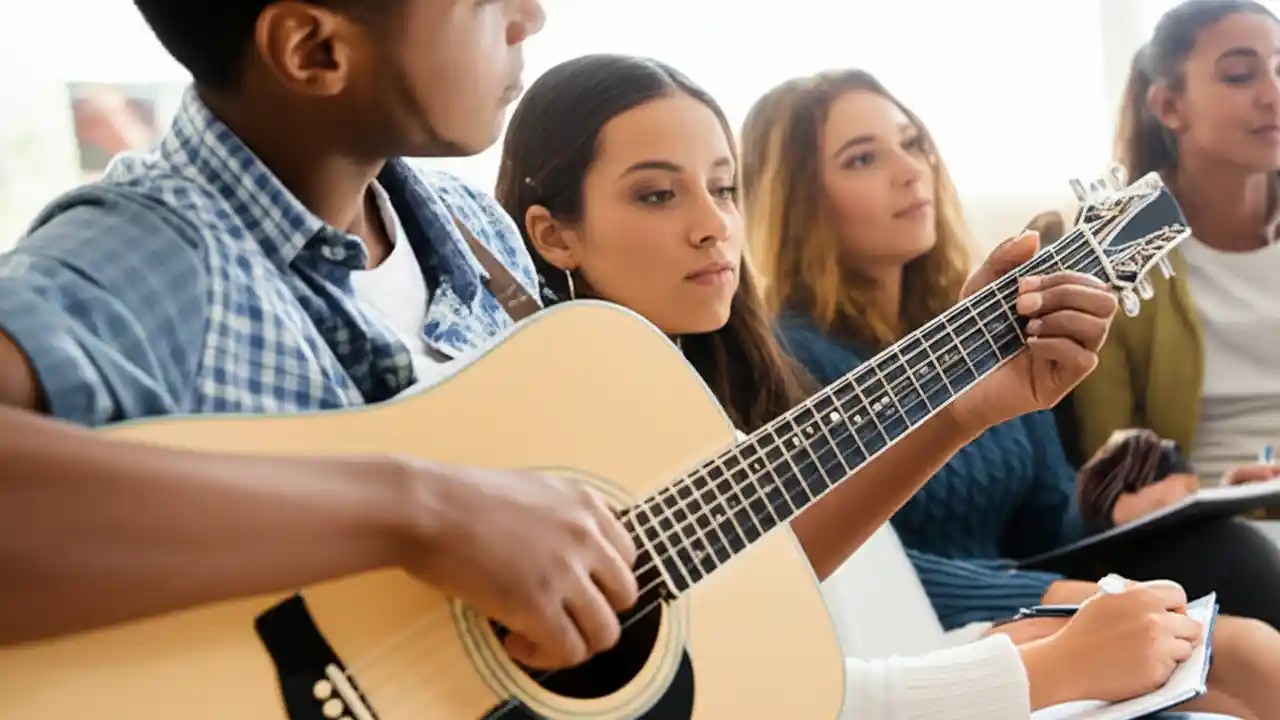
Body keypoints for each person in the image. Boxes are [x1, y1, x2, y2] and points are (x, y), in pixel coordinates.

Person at [0, 0, 1107, 689]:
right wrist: (419, 511)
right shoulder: (157, 252)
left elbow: (684, 573)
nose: (529, 13)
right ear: (311, 45)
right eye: (484, 1)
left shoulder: (470, 238)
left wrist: (961, 400)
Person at [494, 52, 1208, 719]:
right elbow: (769, 687)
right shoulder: (544, 413)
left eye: (722, 187)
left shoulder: (724, 396)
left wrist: (970, 411)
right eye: (657, 194)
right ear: (554, 236)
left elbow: (783, 575)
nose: (713, 226)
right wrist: (1047, 663)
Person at [743, 66, 1280, 718]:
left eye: (913, 144)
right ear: (800, 199)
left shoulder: (975, 324)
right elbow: (846, 572)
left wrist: (1141, 507)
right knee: (1245, 654)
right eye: (862, 158)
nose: (910, 170)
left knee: (1232, 560)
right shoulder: (789, 358)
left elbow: (1048, 517)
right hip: (936, 621)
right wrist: (1059, 594)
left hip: (1031, 589)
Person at [1070, 0, 1280, 490]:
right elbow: (1115, 468)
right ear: (1168, 107)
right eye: (1239, 76)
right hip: (1213, 523)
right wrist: (1221, 493)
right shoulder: (1117, 242)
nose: (1273, 94)